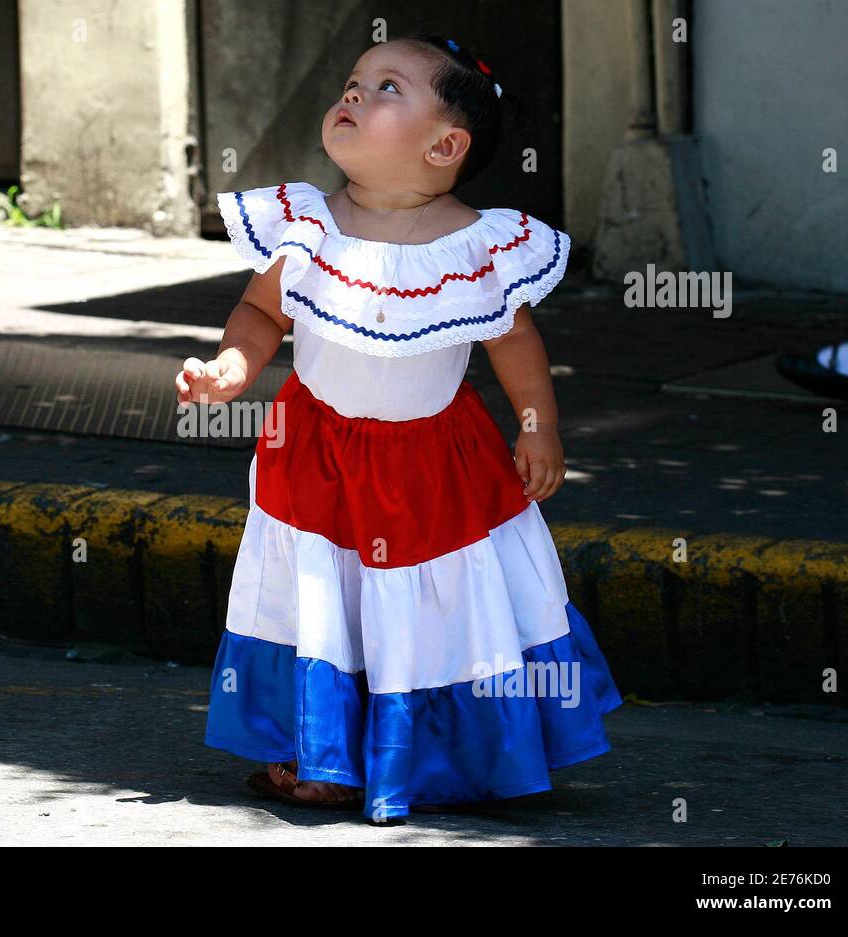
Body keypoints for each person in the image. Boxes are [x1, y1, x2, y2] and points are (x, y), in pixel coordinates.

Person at [176, 33, 622, 823]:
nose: (353, 94)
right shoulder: (306, 225)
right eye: (353, 81)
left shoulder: (478, 245)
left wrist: (536, 424)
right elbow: (258, 312)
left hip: (433, 464)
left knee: (432, 608)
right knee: (319, 601)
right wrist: (231, 371)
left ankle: (453, 752)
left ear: (445, 145)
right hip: (314, 456)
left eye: (386, 88)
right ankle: (318, 754)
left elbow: (513, 340)